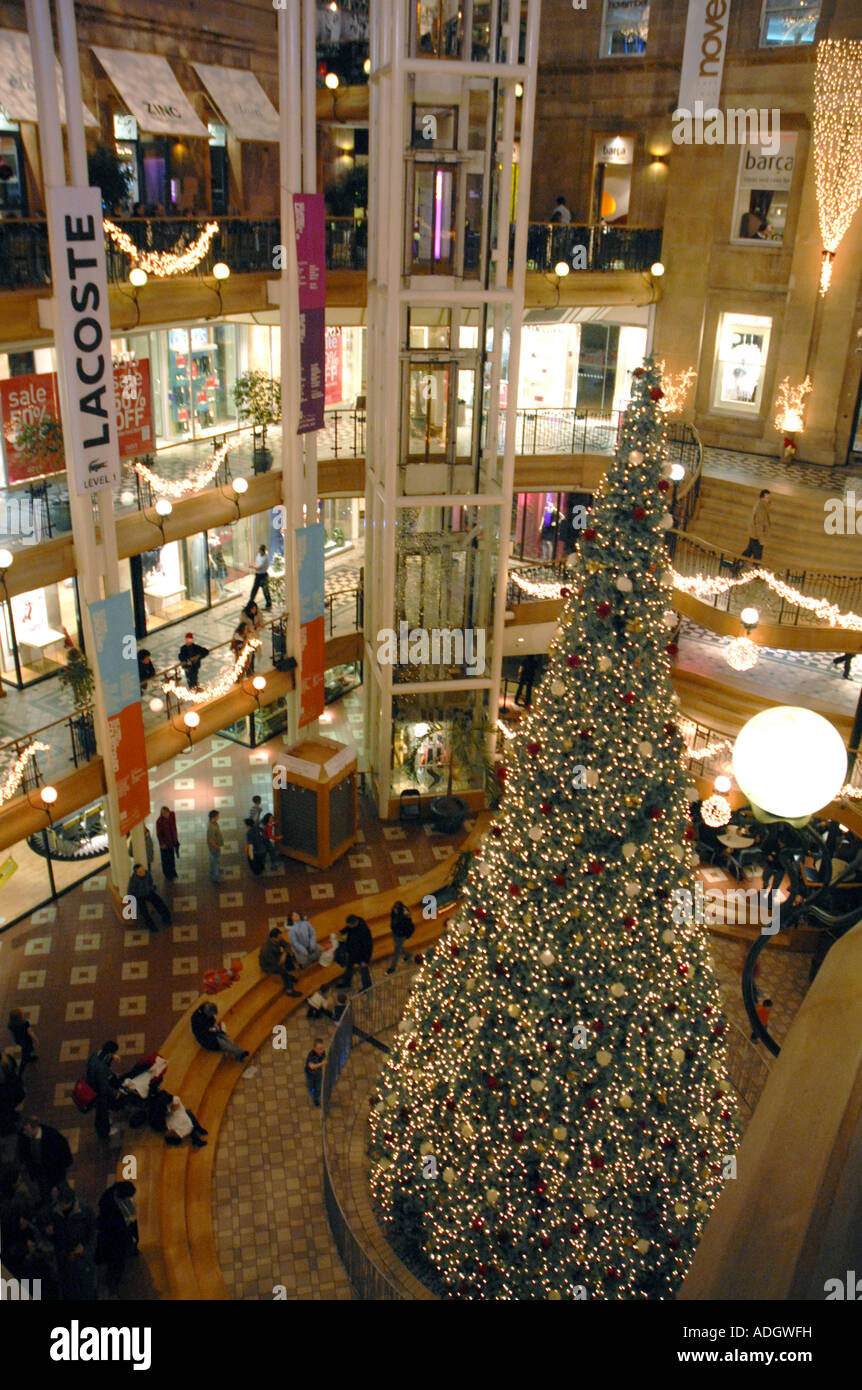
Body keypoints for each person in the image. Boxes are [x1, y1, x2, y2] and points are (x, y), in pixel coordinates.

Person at [52, 1184, 97, 1300]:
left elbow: (92, 1235)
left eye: (63, 1204)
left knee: (83, 1289)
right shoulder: (55, 1211)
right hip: (64, 1258)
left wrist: (84, 1249)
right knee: (68, 1289)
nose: (60, 1207)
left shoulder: (85, 1211)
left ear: (70, 1202)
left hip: (80, 1260)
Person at [94, 1181, 139, 1297]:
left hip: (115, 1237)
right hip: (114, 1238)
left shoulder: (111, 1196)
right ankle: (112, 1284)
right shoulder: (111, 1204)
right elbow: (130, 1222)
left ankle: (112, 1282)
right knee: (115, 1261)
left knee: (114, 1261)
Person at [17, 1117, 73, 1198]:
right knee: (44, 1189)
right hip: (40, 1172)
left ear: (33, 1126)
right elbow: (23, 1152)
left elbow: (64, 1152)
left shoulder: (52, 1135)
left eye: (25, 1129)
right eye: (23, 1130)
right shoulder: (24, 1137)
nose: (24, 1132)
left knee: (62, 1189)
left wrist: (63, 1167)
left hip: (55, 1172)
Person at [85, 1040, 121, 1142]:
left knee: (100, 1111)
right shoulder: (101, 1068)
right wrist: (115, 1093)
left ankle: (102, 1127)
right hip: (98, 1093)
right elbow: (103, 1086)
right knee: (102, 1112)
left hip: (91, 1085)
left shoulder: (95, 1055)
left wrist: (112, 1058)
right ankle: (105, 1131)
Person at [126, 862, 172, 932]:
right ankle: (151, 926)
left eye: (143, 869)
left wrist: (151, 888)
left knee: (159, 902)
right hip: (139, 896)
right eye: (140, 871)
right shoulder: (134, 880)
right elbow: (130, 891)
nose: (143, 872)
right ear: (137, 873)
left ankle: (166, 918)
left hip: (148, 892)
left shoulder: (147, 874)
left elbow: (150, 882)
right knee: (144, 912)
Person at [337, 913, 373, 991]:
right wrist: (342, 932)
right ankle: (346, 983)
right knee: (349, 968)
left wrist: (365, 960)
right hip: (352, 952)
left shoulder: (364, 931)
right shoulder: (354, 924)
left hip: (361, 956)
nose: (349, 927)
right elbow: (348, 928)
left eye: (350, 925)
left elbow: (368, 947)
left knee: (364, 972)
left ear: (354, 923)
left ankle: (367, 986)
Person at [259, 928, 301, 995]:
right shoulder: (266, 949)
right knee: (283, 971)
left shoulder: (278, 939)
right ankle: (289, 990)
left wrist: (285, 953)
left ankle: (290, 972)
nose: (281, 938)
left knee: (289, 957)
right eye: (279, 937)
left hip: (276, 957)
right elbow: (274, 963)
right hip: (268, 965)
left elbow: (287, 945)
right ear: (273, 938)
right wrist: (282, 960)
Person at [741, 489, 771, 561]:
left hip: (754, 534)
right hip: (757, 537)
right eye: (767, 498)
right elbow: (759, 524)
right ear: (762, 498)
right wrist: (762, 539)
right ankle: (755, 571)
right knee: (757, 558)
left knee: (748, 552)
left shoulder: (760, 505)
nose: (769, 500)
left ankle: (736, 566)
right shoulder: (761, 508)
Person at [386, 900, 415, 973]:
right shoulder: (395, 912)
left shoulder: (405, 918)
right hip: (396, 933)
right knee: (399, 947)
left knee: (397, 951)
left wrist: (407, 935)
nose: (394, 910)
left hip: (401, 935)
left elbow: (409, 927)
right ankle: (408, 955)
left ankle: (392, 968)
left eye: (396, 909)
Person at [8, 1008, 38, 1075]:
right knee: (26, 1053)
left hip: (19, 1040)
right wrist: (35, 1039)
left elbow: (13, 1033)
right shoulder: (25, 1023)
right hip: (26, 1039)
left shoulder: (11, 1024)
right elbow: (30, 1032)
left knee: (27, 1049)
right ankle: (20, 1073)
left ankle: (29, 1057)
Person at [156, 805, 179, 881]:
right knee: (166, 860)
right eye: (164, 814)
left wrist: (175, 841)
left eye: (167, 813)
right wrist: (162, 844)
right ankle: (167, 874)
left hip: (171, 842)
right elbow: (159, 834)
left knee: (171, 858)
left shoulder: (171, 816)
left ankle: (173, 872)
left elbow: (173, 828)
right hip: (165, 844)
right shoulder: (159, 822)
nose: (166, 815)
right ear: (161, 814)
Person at [304, 1039, 326, 1107]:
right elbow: (312, 1066)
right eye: (319, 1048)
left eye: (322, 1048)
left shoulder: (323, 1052)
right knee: (312, 1089)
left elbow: (324, 1058)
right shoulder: (311, 1055)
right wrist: (322, 1064)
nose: (321, 1050)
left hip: (318, 1074)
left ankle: (316, 1096)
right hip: (310, 1075)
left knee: (318, 1088)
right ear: (314, 1048)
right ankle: (314, 1096)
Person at [249, 544, 272, 609]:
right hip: (258, 575)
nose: (258, 550)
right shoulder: (259, 555)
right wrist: (253, 564)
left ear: (262, 551)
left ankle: (269, 604)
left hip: (263, 575)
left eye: (259, 549)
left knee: (265, 590)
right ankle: (250, 602)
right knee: (254, 589)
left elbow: (259, 567)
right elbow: (257, 563)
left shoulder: (265, 558)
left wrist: (252, 566)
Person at [207, 809, 223, 883]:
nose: (218, 817)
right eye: (217, 816)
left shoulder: (214, 823)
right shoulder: (211, 827)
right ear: (214, 817)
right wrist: (217, 847)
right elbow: (211, 840)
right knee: (214, 862)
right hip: (214, 848)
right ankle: (215, 877)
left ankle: (215, 873)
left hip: (216, 847)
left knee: (215, 861)